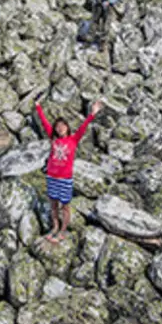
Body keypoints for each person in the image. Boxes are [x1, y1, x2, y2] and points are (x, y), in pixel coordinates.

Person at [34, 97, 105, 243]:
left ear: (67, 127)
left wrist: (92, 113)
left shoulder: (73, 139)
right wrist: (38, 107)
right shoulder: (53, 139)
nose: (60, 128)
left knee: (65, 207)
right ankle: (55, 227)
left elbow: (83, 127)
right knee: (53, 205)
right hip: (52, 177)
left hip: (65, 178)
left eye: (63, 126)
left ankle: (62, 230)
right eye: (57, 126)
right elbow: (44, 122)